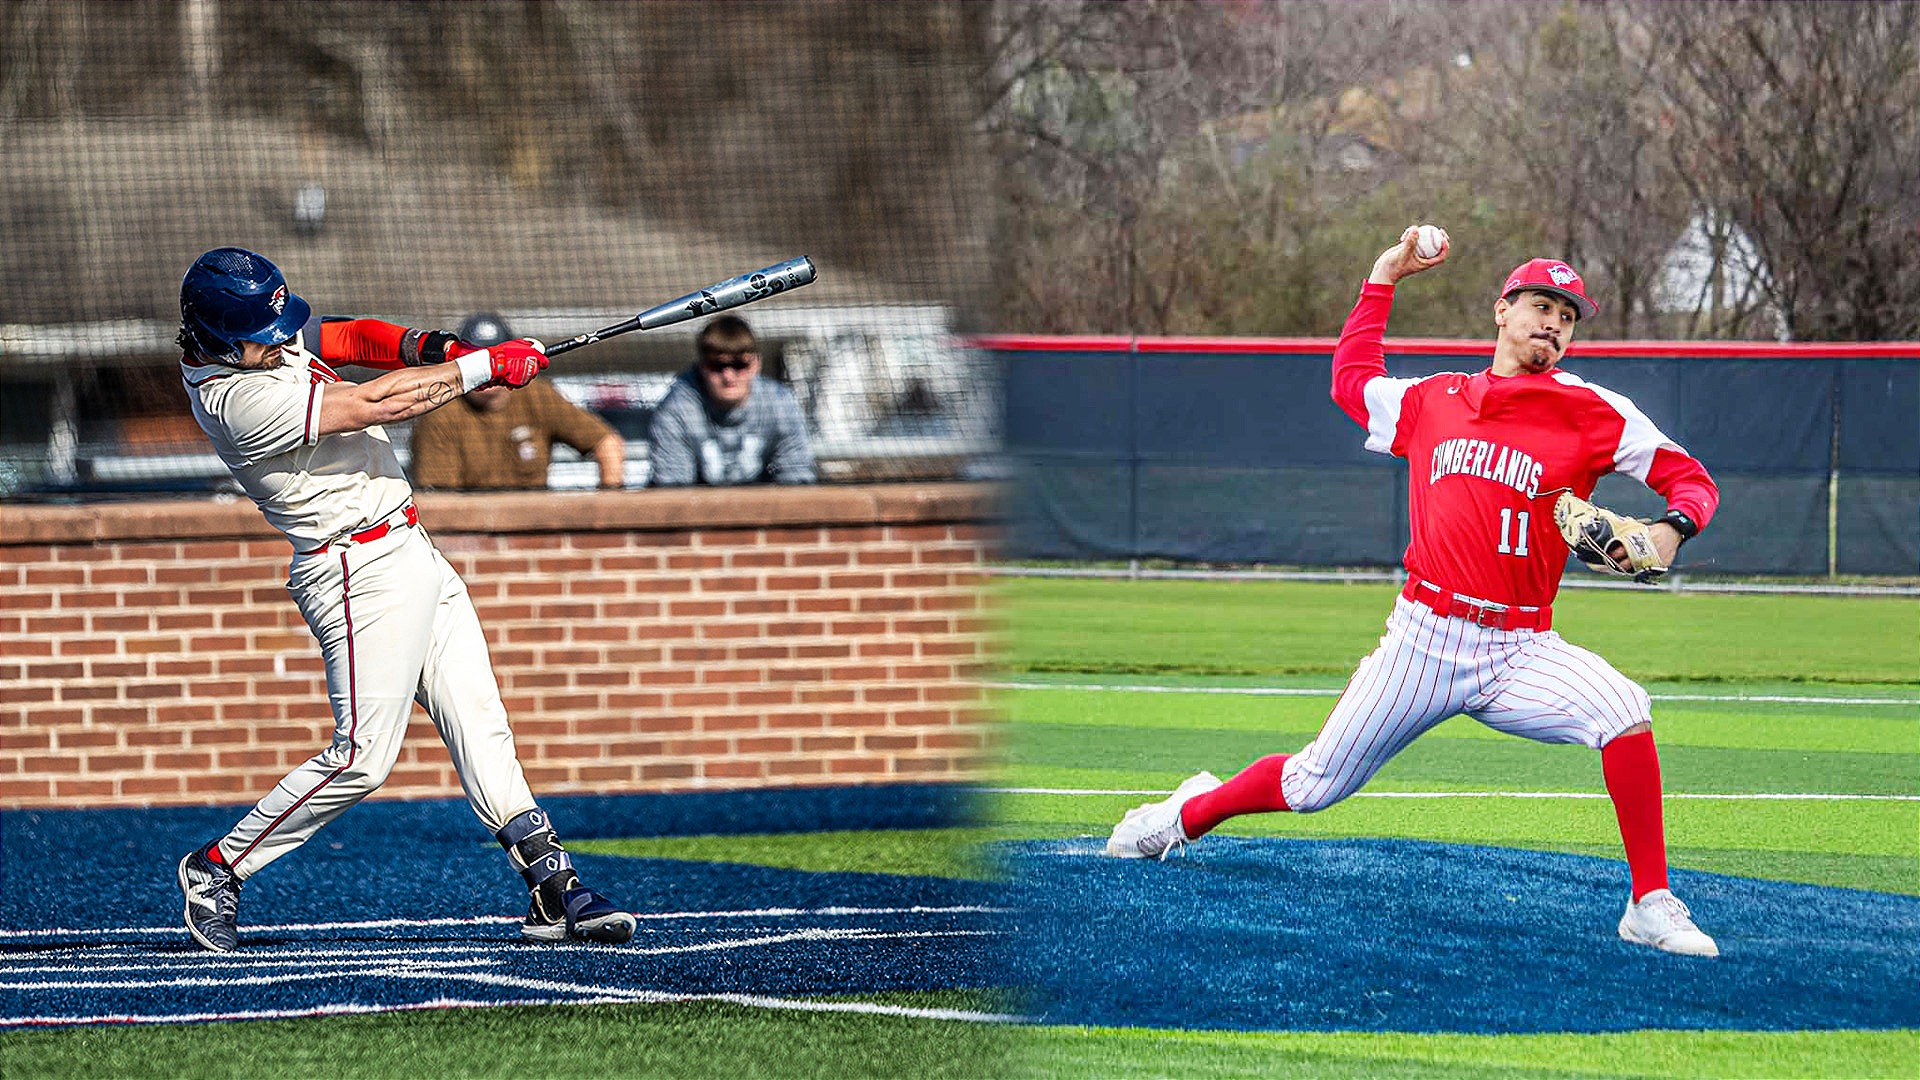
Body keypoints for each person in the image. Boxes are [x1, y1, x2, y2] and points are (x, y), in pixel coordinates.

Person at [1105, 225, 1724, 958]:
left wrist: (1670, 531)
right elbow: (1349, 381)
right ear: (1502, 310)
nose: (1553, 321)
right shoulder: (1435, 400)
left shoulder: (1594, 411)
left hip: (1522, 646)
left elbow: (1691, 480)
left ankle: (1649, 903)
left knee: (1625, 710)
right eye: (1540, 304)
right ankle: (1183, 815)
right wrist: (1382, 278)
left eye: (1567, 314)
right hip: (1424, 639)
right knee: (1312, 785)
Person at [172, 248, 636, 951]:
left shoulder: (258, 341)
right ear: (216, 339)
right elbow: (376, 399)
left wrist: (446, 349)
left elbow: (353, 337)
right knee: (362, 755)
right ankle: (218, 867)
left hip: (410, 548)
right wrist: (480, 370)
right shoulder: (235, 398)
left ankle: (552, 886)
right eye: (262, 339)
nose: (280, 343)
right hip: (353, 570)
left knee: (479, 718)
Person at [409, 313, 627, 490]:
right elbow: (440, 498)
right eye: (475, 359)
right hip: (475, 531)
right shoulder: (442, 412)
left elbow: (607, 442)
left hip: (536, 522)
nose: (487, 370)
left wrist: (609, 503)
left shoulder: (537, 396)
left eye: (496, 358)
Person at [646, 314, 816, 486]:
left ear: (755, 364)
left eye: (739, 365)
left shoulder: (779, 403)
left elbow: (797, 477)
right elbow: (673, 488)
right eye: (717, 366)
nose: (728, 376)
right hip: (697, 507)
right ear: (701, 366)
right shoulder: (677, 410)